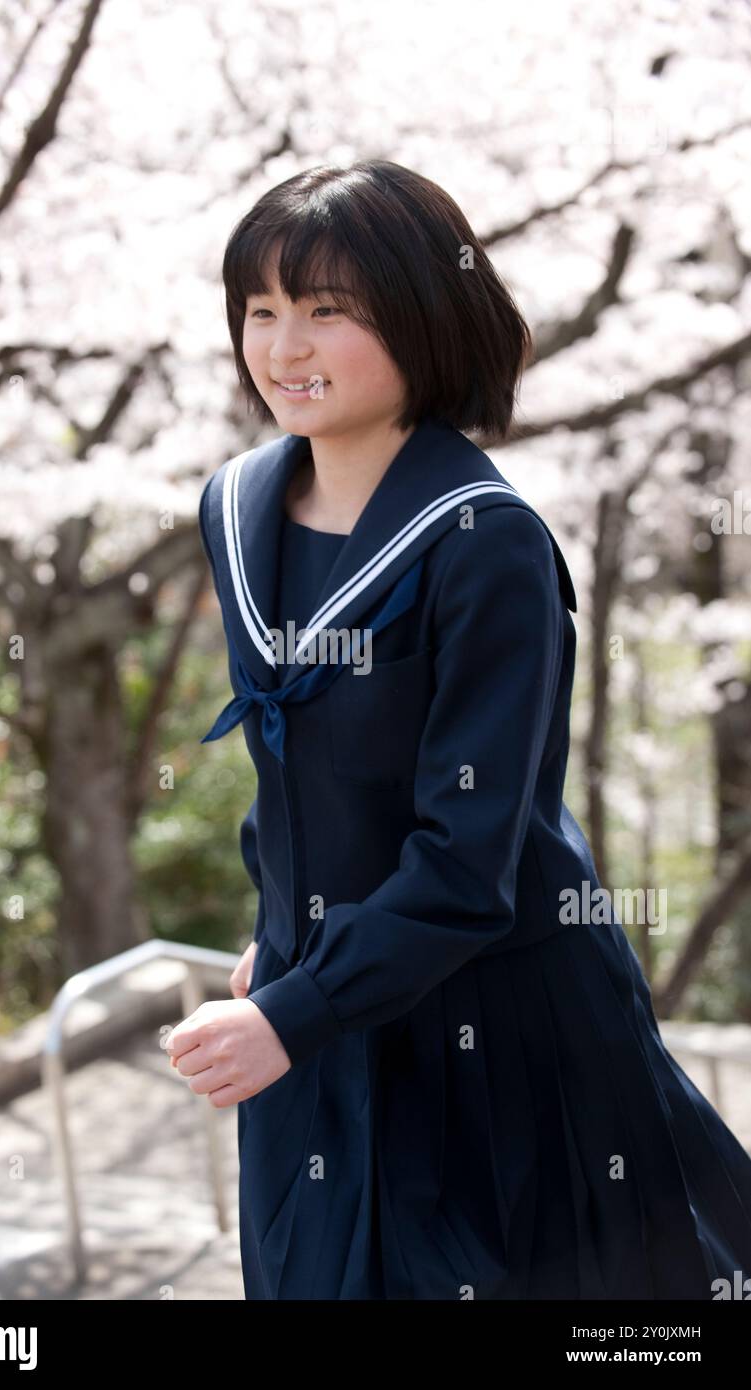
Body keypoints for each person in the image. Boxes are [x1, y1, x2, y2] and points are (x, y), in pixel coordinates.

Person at [165, 159, 751, 1300]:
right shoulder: (237, 507)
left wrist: (295, 1007)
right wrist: (281, 927)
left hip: (489, 1020)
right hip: (319, 997)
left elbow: (468, 856)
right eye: (263, 310)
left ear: (425, 317)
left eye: (331, 310)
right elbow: (291, 778)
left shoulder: (484, 540)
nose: (287, 347)